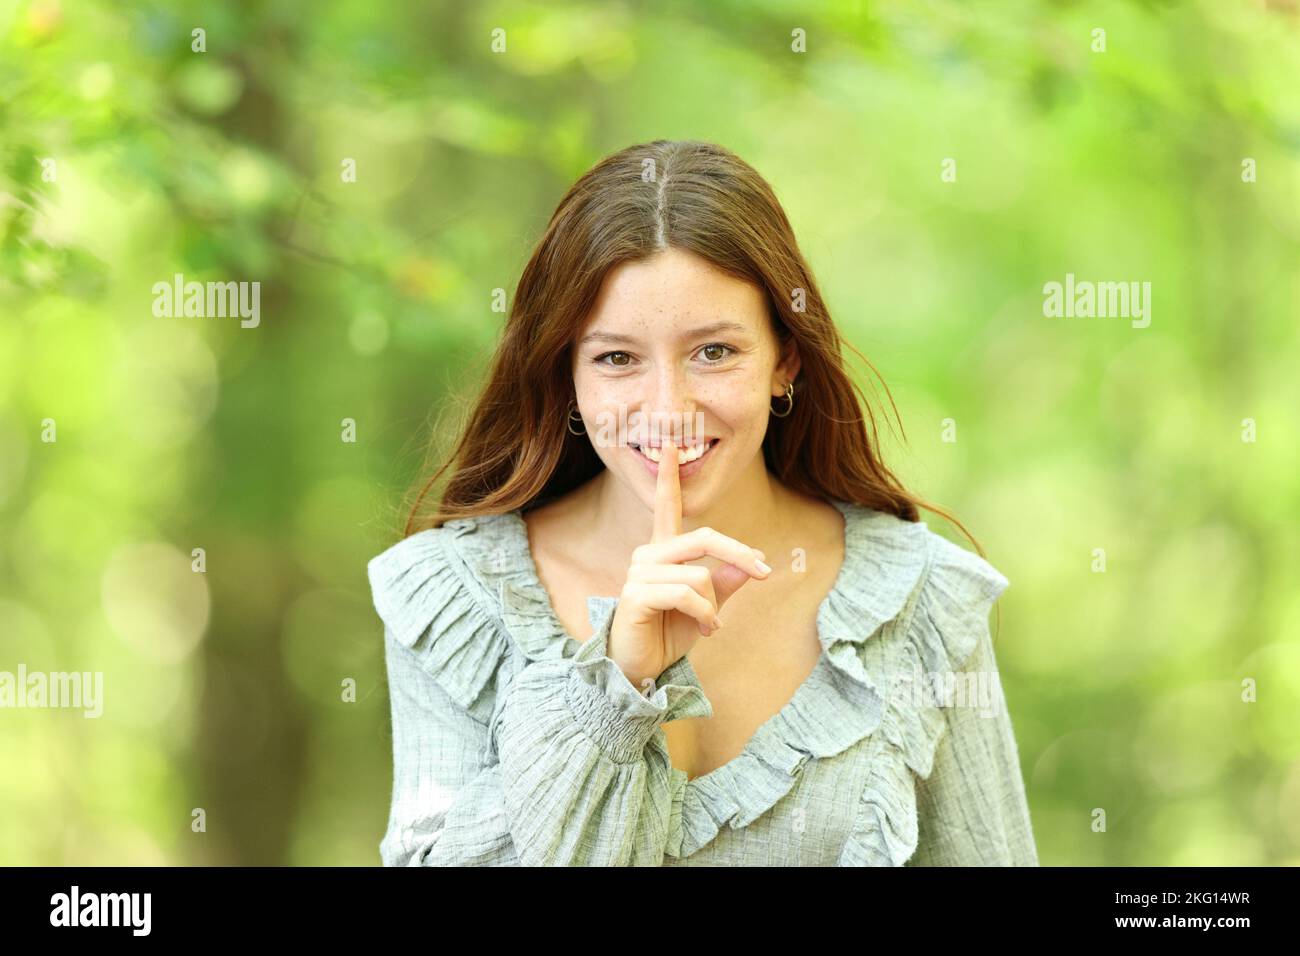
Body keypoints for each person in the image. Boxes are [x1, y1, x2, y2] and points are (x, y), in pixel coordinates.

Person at [367, 139, 1038, 866]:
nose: (668, 408)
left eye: (714, 352)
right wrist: (617, 689)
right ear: (567, 377)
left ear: (785, 359)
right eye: (617, 358)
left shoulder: (921, 599)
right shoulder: (449, 598)